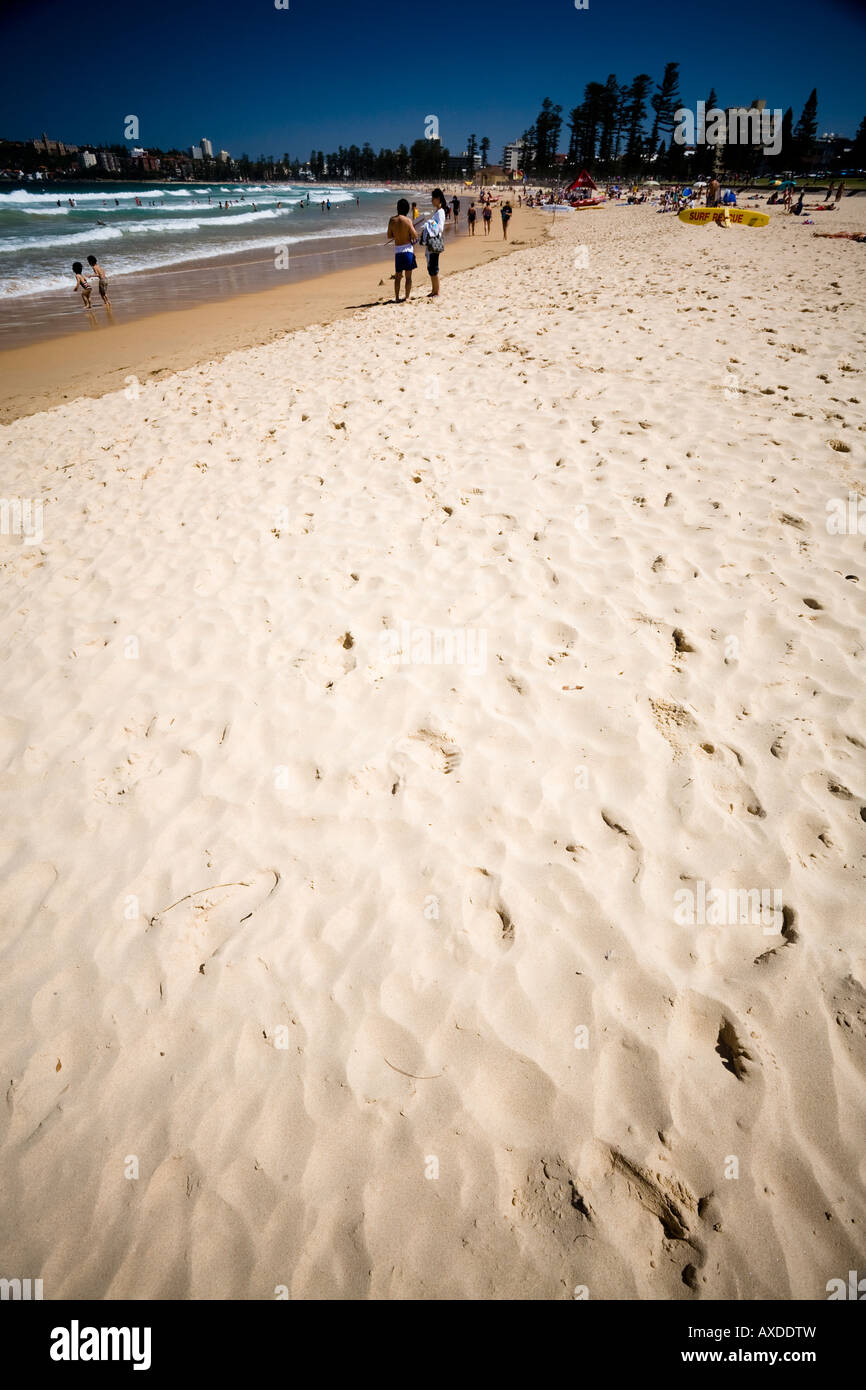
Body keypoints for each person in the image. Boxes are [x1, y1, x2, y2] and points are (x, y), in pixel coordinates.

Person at [387, 198, 418, 302]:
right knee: (408, 277)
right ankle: (407, 297)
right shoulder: (408, 220)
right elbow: (415, 235)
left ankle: (396, 298)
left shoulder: (392, 220)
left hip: (398, 252)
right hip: (408, 250)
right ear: (407, 209)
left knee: (398, 276)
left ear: (397, 208)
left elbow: (389, 235)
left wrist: (397, 234)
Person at [421, 188, 447, 297]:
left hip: (435, 241)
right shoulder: (437, 211)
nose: (432, 200)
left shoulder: (440, 212)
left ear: (438, 199)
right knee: (431, 266)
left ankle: (437, 291)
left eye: (433, 198)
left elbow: (440, 228)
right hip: (432, 241)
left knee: (434, 266)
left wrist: (430, 223)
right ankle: (434, 290)